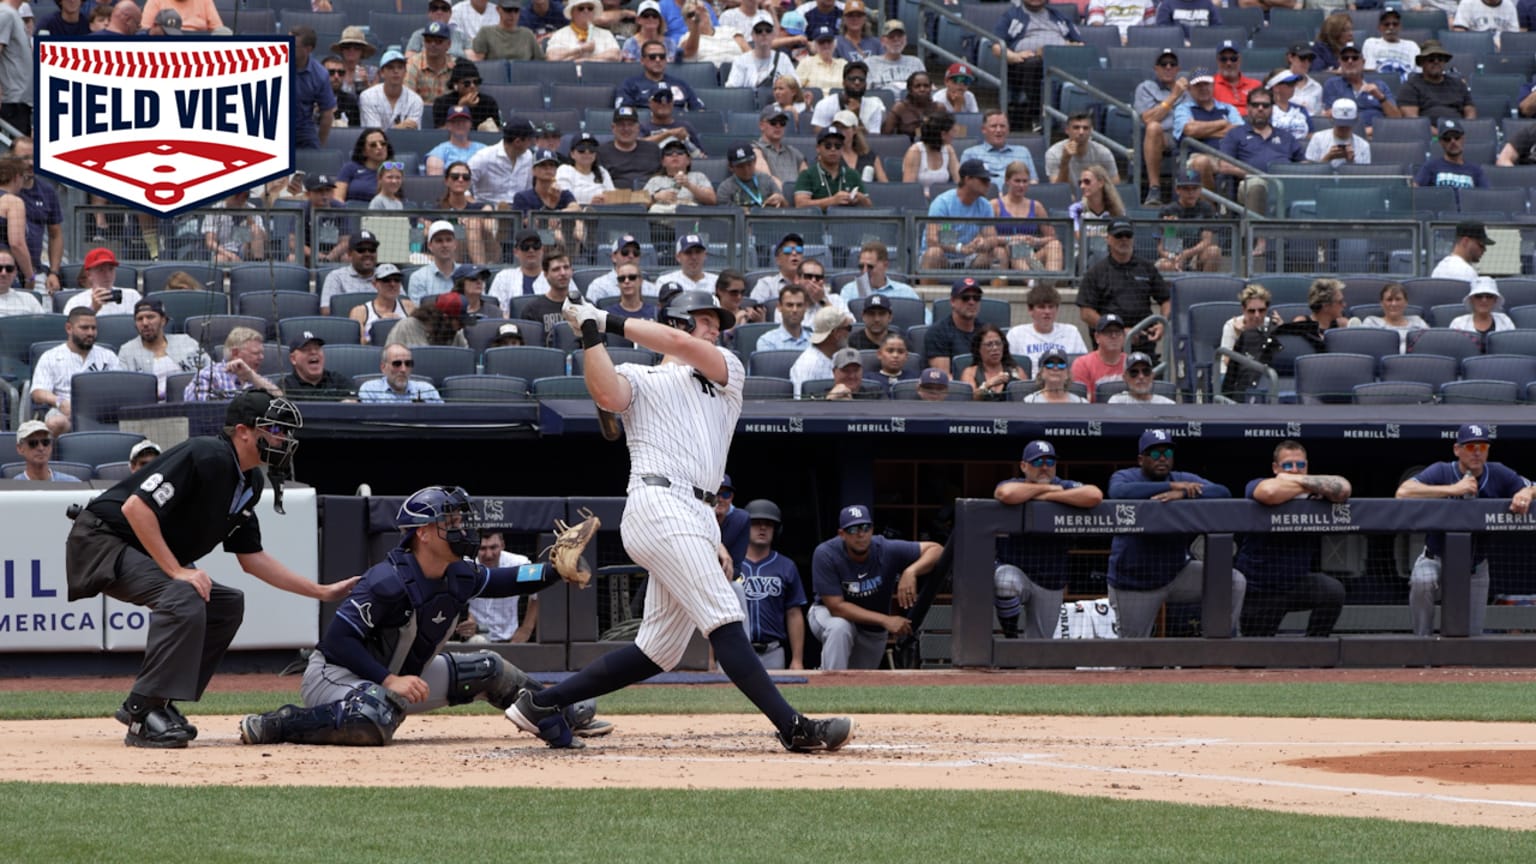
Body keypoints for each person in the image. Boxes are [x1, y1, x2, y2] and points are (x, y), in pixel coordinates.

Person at [508, 290, 856, 753]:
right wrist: (591, 334)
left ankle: (542, 704)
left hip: (696, 510)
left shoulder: (726, 370)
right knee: (724, 615)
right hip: (657, 501)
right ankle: (793, 725)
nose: (715, 328)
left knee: (659, 650)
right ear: (675, 320)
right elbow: (606, 393)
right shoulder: (641, 376)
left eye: (717, 321)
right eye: (705, 320)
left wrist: (606, 319)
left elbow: (686, 345)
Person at [66, 392, 355, 747]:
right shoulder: (207, 454)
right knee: (185, 592)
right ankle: (143, 711)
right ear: (243, 432)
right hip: (101, 540)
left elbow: (253, 559)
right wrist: (177, 570)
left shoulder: (249, 482)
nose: (283, 439)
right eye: (275, 429)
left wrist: (320, 591)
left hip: (136, 547)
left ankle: (160, 700)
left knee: (225, 604)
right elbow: (136, 509)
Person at [238, 486, 603, 747]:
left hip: (400, 678)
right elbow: (337, 642)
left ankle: (558, 711)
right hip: (335, 676)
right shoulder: (387, 580)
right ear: (424, 534)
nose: (461, 528)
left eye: (460, 520)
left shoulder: (460, 572)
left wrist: (555, 570)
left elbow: (511, 580)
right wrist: (389, 679)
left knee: (490, 668)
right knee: (375, 713)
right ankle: (279, 723)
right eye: (451, 522)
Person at [1398, 423, 1536, 637]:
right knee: (1422, 581)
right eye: (1471, 447)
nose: (1477, 452)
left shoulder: (1499, 473)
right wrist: (1452, 489)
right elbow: (1404, 492)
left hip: (1475, 566)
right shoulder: (1442, 470)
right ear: (1457, 449)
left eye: (1483, 446)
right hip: (1435, 558)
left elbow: (1532, 486)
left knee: (1472, 636)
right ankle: (1421, 643)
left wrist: (1527, 492)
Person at [1107, 428, 1246, 639]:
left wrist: (1182, 493)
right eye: (1154, 454)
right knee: (1131, 654)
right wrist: (1171, 485)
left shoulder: (1184, 479)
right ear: (1141, 459)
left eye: (1167, 453)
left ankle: (1219, 642)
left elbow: (1221, 491)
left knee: (1234, 581)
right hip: (1135, 582)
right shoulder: (1126, 476)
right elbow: (1118, 492)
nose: (1162, 458)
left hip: (1177, 573)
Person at [1235, 440, 1349, 638]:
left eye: (1300, 465)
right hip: (1260, 590)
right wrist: (1312, 486)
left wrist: (1298, 482)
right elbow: (1269, 493)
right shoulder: (1258, 483)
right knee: (1254, 659)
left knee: (1333, 591)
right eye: (1288, 465)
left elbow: (1343, 488)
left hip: (1296, 584)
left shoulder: (1312, 491)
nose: (1295, 470)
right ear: (1275, 468)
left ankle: (1315, 649)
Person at [808, 504, 942, 669]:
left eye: (865, 527)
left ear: (872, 529)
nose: (861, 534)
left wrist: (911, 571)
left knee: (861, 684)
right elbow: (837, 607)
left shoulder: (885, 548)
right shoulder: (826, 553)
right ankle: (829, 687)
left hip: (872, 628)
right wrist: (886, 620)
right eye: (853, 529)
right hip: (828, 613)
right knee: (840, 628)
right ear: (841, 534)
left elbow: (936, 550)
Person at [992, 440, 1104, 638]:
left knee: (1040, 644)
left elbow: (1094, 495)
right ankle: (1011, 636)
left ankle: (1027, 665)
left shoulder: (1063, 484)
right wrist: (1048, 490)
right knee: (1004, 580)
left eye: (1049, 462)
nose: (1044, 467)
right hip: (1018, 570)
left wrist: (1047, 496)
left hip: (1050, 578)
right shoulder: (1016, 483)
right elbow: (1005, 493)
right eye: (1037, 462)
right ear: (1023, 466)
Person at [1199, 88, 1304, 216]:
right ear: (1248, 108)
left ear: (1272, 109)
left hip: (1285, 185)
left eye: (1265, 105)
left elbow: (1302, 163)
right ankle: (1257, 235)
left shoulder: (1286, 137)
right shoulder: (1235, 134)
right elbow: (1225, 166)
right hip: (1249, 184)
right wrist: (1258, 174)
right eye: (1255, 105)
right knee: (1256, 185)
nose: (1260, 108)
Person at [1076, 219, 1169, 355]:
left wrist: (1162, 323)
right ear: (1108, 239)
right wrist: (1117, 332)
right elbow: (1086, 313)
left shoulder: (1147, 268)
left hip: (1144, 343)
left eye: (1128, 235)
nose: (1124, 240)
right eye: (1118, 236)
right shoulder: (1095, 272)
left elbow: (1166, 300)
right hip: (1109, 345)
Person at [734, 499, 806, 669]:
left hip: (772, 652)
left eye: (769, 524)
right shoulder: (731, 562)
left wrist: (797, 659)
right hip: (735, 648)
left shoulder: (786, 566)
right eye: (756, 523)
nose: (763, 528)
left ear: (776, 529)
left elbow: (794, 614)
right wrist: (709, 660)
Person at [992, 0, 1082, 133]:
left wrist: (1064, 48)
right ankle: (1037, 116)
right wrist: (1014, 56)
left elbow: (1080, 44)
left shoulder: (1058, 17)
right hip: (1024, 65)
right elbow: (997, 46)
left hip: (1060, 62)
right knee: (1033, 64)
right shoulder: (1012, 16)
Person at [31, 308, 120, 436]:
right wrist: (60, 402)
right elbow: (38, 393)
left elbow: (121, 388)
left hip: (103, 411)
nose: (90, 333)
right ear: (69, 328)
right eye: (84, 328)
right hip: (66, 411)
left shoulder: (108, 356)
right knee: (55, 423)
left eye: (93, 328)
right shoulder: (50, 356)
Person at [115, 298, 210, 402]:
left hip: (189, 403)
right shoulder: (127, 351)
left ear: (163, 321)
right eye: (139, 319)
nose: (145, 323)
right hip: (150, 410)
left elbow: (210, 371)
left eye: (150, 317)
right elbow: (124, 390)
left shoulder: (186, 342)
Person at [921, 159, 1005, 271]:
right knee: (934, 253)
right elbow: (932, 239)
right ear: (967, 179)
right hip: (943, 258)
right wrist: (960, 248)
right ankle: (925, 289)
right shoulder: (943, 202)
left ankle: (997, 289)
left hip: (970, 258)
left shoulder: (985, 205)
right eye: (983, 180)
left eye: (988, 180)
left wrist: (983, 243)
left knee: (999, 253)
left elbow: (992, 238)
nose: (988, 184)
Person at [461, 531, 539, 644]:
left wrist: (527, 629)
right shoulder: (466, 565)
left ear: (502, 545)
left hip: (510, 639)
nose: (488, 554)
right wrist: (469, 620)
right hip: (477, 638)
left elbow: (537, 595)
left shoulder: (519, 563)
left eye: (493, 547)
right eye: (482, 548)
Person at [1134, 48, 1187, 207]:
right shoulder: (1146, 88)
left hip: (1185, 135)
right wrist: (1173, 96)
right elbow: (1148, 119)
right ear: (1156, 68)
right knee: (1153, 128)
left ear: (1178, 69)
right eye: (1163, 64)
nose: (1168, 67)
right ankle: (1154, 189)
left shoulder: (1188, 89)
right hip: (1161, 137)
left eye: (1172, 64)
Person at [182, 327, 281, 402]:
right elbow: (198, 410)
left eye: (261, 353)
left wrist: (252, 376)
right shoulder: (209, 376)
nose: (261, 357)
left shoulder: (257, 379)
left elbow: (282, 402)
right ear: (235, 353)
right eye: (255, 353)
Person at [1155, 169, 1222, 273]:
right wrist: (1175, 256)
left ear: (1200, 190)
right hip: (1173, 253)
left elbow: (1207, 241)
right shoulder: (1168, 210)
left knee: (1214, 251)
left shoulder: (1206, 208)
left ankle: (1205, 287)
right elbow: (1161, 247)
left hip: (1196, 254)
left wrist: (1186, 254)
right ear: (1178, 190)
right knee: (1166, 265)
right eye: (1186, 189)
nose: (1191, 193)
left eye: (1195, 188)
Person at [1395, 40, 1473, 124]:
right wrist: (1440, 133)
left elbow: (1470, 110)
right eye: (1431, 59)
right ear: (1422, 62)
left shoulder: (1458, 84)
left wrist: (1465, 129)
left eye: (1440, 59)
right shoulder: (1410, 86)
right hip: (1428, 134)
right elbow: (1413, 120)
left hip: (1458, 134)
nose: (1436, 62)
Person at [793, 128, 872, 209]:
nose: (833, 149)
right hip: (818, 221)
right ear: (818, 148)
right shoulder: (807, 174)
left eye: (837, 146)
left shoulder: (852, 174)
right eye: (828, 145)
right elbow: (800, 204)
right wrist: (832, 201)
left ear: (842, 149)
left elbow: (869, 206)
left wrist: (861, 199)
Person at [1006, 284, 1087, 361]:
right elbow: (1008, 365)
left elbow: (1083, 364)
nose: (1047, 311)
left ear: (1057, 309)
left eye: (1051, 307)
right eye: (1041, 307)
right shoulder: (1016, 334)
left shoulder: (1071, 332)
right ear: (1030, 310)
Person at [617, 37, 704, 109]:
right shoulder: (630, 84)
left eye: (662, 57)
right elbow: (624, 114)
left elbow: (699, 111)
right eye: (652, 57)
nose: (658, 60)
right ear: (642, 61)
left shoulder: (680, 84)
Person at [1170, 68, 1242, 154]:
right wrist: (1223, 123)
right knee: (1202, 162)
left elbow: (1239, 132)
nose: (1203, 88)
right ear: (1189, 89)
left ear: (1213, 86)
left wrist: (1199, 132)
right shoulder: (1183, 108)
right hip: (1195, 159)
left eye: (1206, 84)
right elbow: (1190, 130)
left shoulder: (1228, 108)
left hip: (1228, 158)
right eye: (1198, 85)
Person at [468, 117, 536, 207]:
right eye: (529, 140)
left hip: (519, 213)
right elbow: (461, 183)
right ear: (518, 142)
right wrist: (474, 207)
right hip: (489, 213)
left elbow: (528, 189)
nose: (532, 143)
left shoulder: (528, 157)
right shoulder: (484, 157)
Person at [924, 277, 984, 374]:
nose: (972, 302)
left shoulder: (986, 332)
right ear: (952, 301)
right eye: (965, 297)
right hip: (955, 388)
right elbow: (944, 377)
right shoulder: (938, 333)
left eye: (976, 298)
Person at [789, 306, 853, 397]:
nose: (850, 333)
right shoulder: (808, 366)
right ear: (836, 333)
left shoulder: (835, 355)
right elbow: (801, 406)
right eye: (848, 328)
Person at [63, 247, 142, 317]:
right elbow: (71, 331)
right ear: (89, 274)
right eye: (101, 270)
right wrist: (93, 309)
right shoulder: (76, 302)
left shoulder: (133, 296)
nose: (107, 275)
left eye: (111, 269)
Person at [1045, 112, 1119, 186]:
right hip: (1067, 197)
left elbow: (1116, 186)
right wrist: (1065, 162)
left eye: (1085, 128)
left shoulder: (1103, 153)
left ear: (1091, 131)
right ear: (1067, 130)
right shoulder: (1053, 153)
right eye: (1076, 128)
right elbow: (1058, 190)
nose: (1081, 132)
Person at [1413, 118, 1486, 193]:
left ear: (1463, 139)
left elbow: (1486, 196)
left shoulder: (1475, 170)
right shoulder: (1430, 166)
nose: (1453, 141)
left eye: (1456, 137)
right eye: (1447, 138)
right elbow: (1414, 192)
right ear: (1441, 142)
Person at [810, 60, 883, 135]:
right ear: (843, 83)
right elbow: (819, 137)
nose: (857, 82)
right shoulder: (825, 104)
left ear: (866, 84)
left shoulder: (874, 106)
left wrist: (856, 118)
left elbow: (873, 141)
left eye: (861, 79)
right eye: (852, 79)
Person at [599, 106, 663, 191]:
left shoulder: (653, 149)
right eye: (621, 125)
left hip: (651, 197)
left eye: (630, 124)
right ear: (613, 128)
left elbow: (663, 176)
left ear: (638, 127)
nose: (626, 129)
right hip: (616, 198)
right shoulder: (601, 152)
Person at [643, 138, 717, 211]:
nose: (674, 154)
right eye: (669, 153)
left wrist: (689, 185)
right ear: (663, 162)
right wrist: (655, 197)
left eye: (680, 152)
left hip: (689, 216)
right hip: (662, 217)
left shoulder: (698, 176)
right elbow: (639, 205)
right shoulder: (655, 180)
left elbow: (712, 200)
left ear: (688, 160)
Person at [1351, 281, 1426, 353]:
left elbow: (1428, 344)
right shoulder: (1372, 322)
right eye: (1389, 300)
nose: (1394, 304)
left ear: (1406, 302)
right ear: (1382, 303)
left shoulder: (1417, 322)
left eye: (1398, 299)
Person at [350, 263, 417, 342]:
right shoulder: (360, 312)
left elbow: (418, 337)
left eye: (397, 280)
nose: (392, 284)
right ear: (375, 284)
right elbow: (363, 338)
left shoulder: (410, 307)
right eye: (386, 280)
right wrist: (378, 327)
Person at [1070, 313, 1129, 401]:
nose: (1114, 336)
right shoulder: (1082, 364)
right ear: (1097, 337)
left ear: (1124, 336)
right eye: (1108, 332)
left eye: (1118, 332)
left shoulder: (1131, 362)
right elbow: (1082, 401)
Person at [280, 331, 354, 401]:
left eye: (317, 348)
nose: (314, 352)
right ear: (293, 359)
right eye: (306, 349)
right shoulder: (285, 386)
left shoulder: (338, 381)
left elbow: (353, 404)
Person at [961, 322, 1026, 401]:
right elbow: (969, 399)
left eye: (998, 343)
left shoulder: (1016, 371)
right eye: (989, 344)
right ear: (978, 349)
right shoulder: (970, 372)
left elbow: (1026, 398)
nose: (995, 348)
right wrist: (989, 384)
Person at [839, 240, 920, 304]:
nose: (864, 271)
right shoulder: (849, 291)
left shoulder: (905, 293)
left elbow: (926, 319)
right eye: (861, 266)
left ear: (885, 265)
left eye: (870, 267)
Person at [431, 60, 500, 133]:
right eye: (467, 83)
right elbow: (440, 133)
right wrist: (461, 107)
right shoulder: (442, 103)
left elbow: (498, 130)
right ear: (456, 85)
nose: (472, 86)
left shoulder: (488, 102)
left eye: (476, 82)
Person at [319, 229, 382, 309]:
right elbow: (326, 310)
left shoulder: (388, 276)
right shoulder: (336, 277)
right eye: (361, 250)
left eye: (372, 250)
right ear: (349, 253)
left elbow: (402, 305)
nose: (367, 254)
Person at [359, 344, 444, 402]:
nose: (403, 369)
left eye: (408, 364)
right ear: (383, 367)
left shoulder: (427, 390)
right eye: (397, 364)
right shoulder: (371, 390)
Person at [726, 19, 796, 89]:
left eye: (768, 30)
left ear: (773, 35)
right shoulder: (741, 60)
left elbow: (795, 86)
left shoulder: (783, 59)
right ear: (753, 35)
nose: (764, 33)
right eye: (759, 30)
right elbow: (732, 89)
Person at [753, 104, 808, 191]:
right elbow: (767, 180)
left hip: (799, 200)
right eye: (773, 122)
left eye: (782, 123)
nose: (778, 126)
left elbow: (806, 181)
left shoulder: (794, 152)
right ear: (761, 125)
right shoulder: (756, 150)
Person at [902, 113, 961, 195]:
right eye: (953, 131)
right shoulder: (915, 151)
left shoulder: (949, 150)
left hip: (944, 201)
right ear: (943, 134)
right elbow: (908, 189)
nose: (955, 134)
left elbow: (960, 181)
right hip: (920, 201)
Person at [388, 292, 473, 348]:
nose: (463, 326)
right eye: (460, 322)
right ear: (446, 318)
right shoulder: (407, 327)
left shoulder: (457, 334)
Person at [489, 228, 551, 304]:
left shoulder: (555, 276)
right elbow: (494, 309)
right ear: (516, 252)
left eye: (535, 246)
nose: (531, 250)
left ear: (542, 249)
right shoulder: (503, 277)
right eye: (525, 247)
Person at [467, 0, 545, 61]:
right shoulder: (486, 32)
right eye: (508, 10)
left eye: (516, 10)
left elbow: (540, 63)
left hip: (523, 79)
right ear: (498, 9)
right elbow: (478, 63)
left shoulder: (528, 34)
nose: (512, 14)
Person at [718, 142, 788, 209]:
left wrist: (780, 200)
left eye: (749, 164)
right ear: (731, 167)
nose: (746, 170)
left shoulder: (767, 179)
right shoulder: (725, 189)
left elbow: (785, 207)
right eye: (740, 166)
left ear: (755, 161)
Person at [545, 0, 621, 61]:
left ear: (594, 12)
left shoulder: (605, 34)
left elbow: (615, 56)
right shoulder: (560, 34)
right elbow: (552, 58)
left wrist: (585, 61)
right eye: (581, 8)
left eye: (590, 8)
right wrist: (581, 49)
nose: (586, 11)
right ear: (572, 13)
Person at [865, 19, 923, 98]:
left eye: (900, 36)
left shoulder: (916, 62)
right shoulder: (869, 63)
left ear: (905, 39)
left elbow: (926, 90)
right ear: (882, 41)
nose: (896, 39)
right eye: (891, 36)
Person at [405, 21, 457, 105]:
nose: (433, 44)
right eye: (428, 40)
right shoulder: (412, 64)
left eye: (438, 41)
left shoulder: (456, 66)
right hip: (419, 115)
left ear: (448, 44)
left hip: (449, 115)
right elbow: (407, 100)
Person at [556, 132, 615, 206]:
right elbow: (565, 201)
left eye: (591, 149)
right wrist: (590, 205)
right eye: (581, 149)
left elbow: (613, 198)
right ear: (572, 154)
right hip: (575, 216)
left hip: (603, 214)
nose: (587, 152)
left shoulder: (602, 172)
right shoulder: (565, 170)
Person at [12, 419, 81, 482]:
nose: (41, 448)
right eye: (32, 443)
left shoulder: (71, 484)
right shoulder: (12, 489)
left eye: (45, 442)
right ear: (20, 448)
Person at [426, 106, 488, 175]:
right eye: (455, 121)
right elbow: (435, 182)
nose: (460, 124)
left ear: (470, 124)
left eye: (464, 121)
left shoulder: (484, 150)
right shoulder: (438, 152)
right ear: (448, 125)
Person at [1448, 276, 1515, 339]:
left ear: (1495, 300)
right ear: (1471, 300)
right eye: (1478, 296)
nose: (1484, 300)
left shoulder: (1505, 321)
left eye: (1489, 296)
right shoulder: (1458, 324)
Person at [1363, 8, 1419, 83]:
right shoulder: (1371, 43)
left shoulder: (1412, 46)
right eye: (1387, 24)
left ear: (1400, 27)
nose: (1391, 27)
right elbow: (1370, 73)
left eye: (1395, 24)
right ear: (1379, 27)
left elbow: (1418, 74)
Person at [755, 283, 811, 352]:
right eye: (789, 305)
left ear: (806, 307)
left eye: (799, 305)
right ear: (779, 307)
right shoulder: (767, 341)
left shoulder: (816, 342)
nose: (794, 310)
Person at [0, 248, 41, 317]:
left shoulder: (29, 299)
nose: (4, 273)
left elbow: (44, 326)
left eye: (9, 269)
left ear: (15, 272)